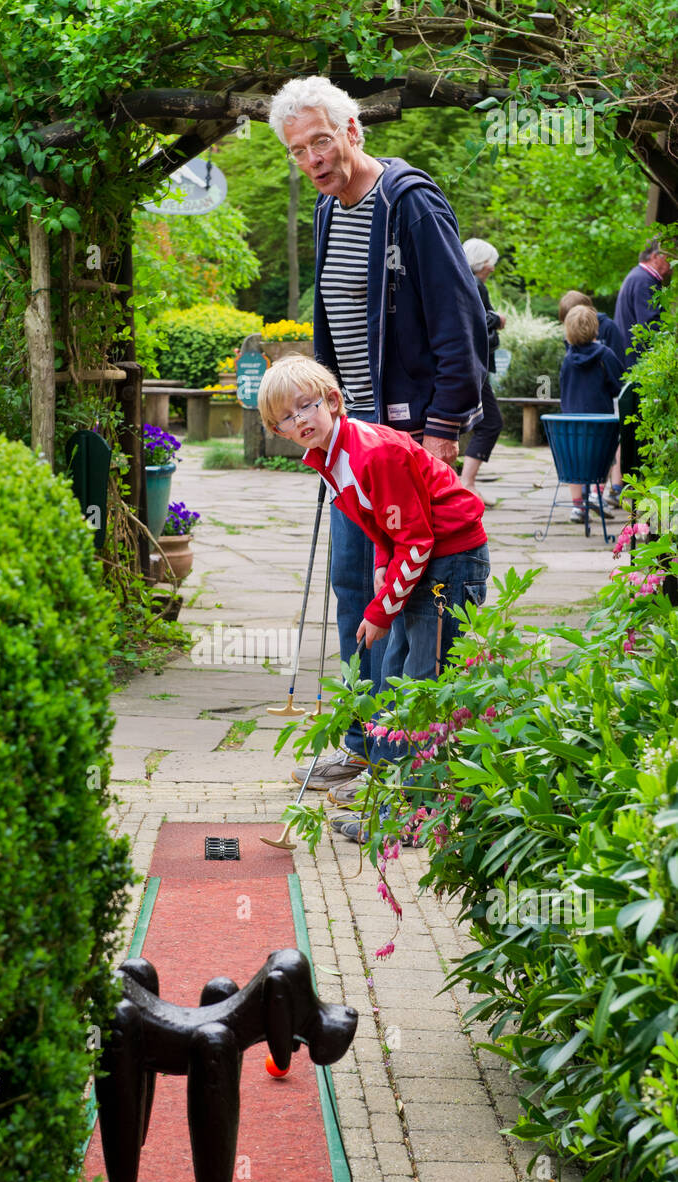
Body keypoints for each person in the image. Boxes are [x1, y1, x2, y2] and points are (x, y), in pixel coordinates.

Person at [267, 76, 488, 817]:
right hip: (352, 442)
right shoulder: (329, 210)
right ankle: (367, 741)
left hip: (407, 444)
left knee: (417, 599)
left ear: (353, 130)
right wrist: (326, 437)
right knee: (354, 591)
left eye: (320, 142)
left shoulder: (411, 204)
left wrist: (444, 429)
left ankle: (416, 765)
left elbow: (459, 321)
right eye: (298, 151)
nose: (313, 160)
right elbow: (333, 335)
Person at [258, 355, 490, 842]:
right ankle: (392, 793)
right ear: (276, 429)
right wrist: (383, 566)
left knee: (423, 686)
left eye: (307, 406)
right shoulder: (328, 457)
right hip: (421, 559)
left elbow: (419, 537)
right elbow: (384, 525)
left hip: (449, 561)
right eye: (286, 415)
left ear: (333, 401)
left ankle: (418, 815)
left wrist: (381, 608)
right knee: (392, 678)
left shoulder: (370, 452)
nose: (299, 419)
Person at [558, 290, 624, 502]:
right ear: (596, 328)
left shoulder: (568, 359)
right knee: (602, 453)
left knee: (575, 457)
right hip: (600, 419)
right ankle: (596, 494)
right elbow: (618, 385)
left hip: (572, 420)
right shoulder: (605, 355)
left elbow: (563, 387)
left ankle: (577, 504)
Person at [459, 238, 505, 504]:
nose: (493, 268)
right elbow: (478, 322)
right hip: (476, 366)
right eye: (491, 262)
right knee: (491, 423)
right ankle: (467, 484)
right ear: (481, 262)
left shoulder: (466, 282)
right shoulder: (475, 284)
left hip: (473, 366)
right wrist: (498, 320)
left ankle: (464, 483)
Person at [614, 240, 672, 369]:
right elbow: (650, 325)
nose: (672, 263)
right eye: (669, 257)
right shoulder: (644, 281)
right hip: (638, 363)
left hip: (629, 359)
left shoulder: (638, 276)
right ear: (655, 257)